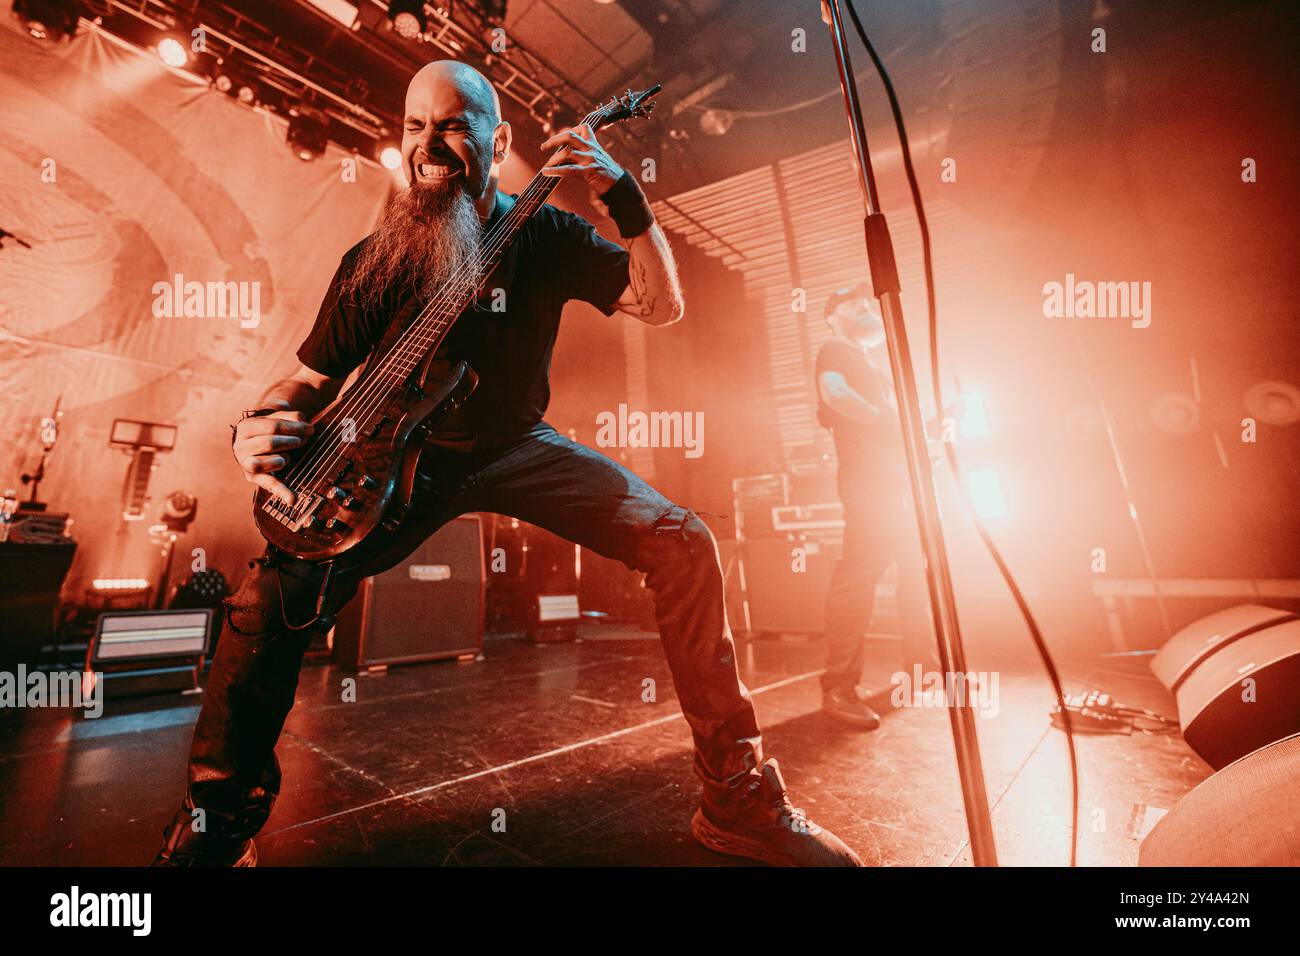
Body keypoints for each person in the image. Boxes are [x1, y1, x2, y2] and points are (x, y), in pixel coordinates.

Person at [153, 61, 861, 867]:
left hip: (516, 446)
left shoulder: (546, 235)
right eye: (416, 125)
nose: (429, 145)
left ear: (500, 141)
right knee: (271, 593)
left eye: (452, 123)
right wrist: (260, 422)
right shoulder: (374, 257)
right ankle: (215, 827)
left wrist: (626, 200)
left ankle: (739, 801)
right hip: (390, 460)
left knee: (684, 541)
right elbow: (308, 380)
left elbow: (661, 307)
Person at [815, 284, 937, 730]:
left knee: (917, 579)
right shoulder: (834, 350)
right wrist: (891, 422)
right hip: (868, 485)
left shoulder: (879, 373)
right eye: (854, 304)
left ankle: (922, 668)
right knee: (858, 579)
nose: (866, 308)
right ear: (832, 317)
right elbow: (834, 394)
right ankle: (838, 687)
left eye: (869, 304)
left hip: (902, 486)